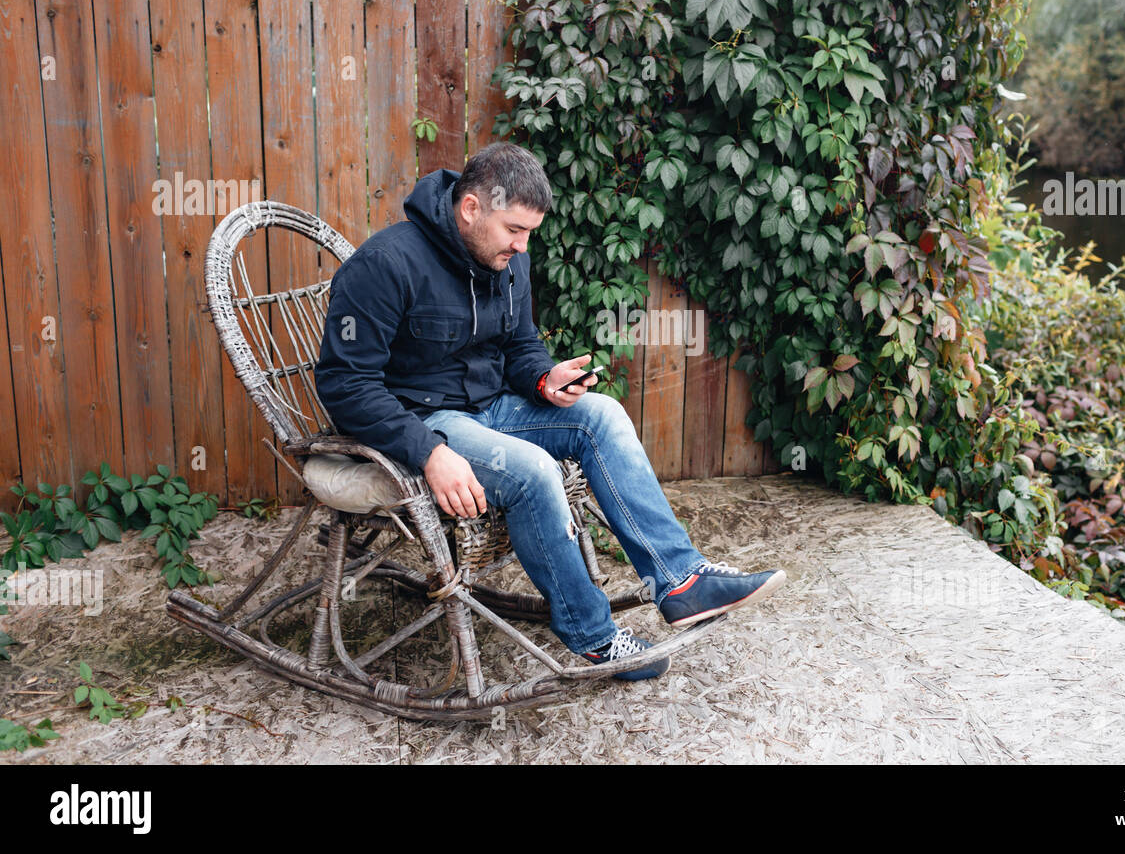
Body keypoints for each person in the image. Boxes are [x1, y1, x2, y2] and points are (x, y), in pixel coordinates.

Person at [314, 142, 786, 679]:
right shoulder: (384, 264)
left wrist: (544, 377)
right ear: (471, 209)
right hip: (424, 422)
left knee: (601, 414)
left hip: (494, 409)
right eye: (514, 229)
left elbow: (519, 347)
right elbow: (345, 384)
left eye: (530, 233)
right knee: (533, 471)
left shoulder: (509, 260)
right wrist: (429, 453)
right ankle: (593, 637)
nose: (522, 244)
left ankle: (681, 581)